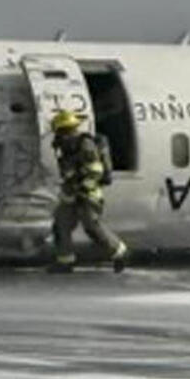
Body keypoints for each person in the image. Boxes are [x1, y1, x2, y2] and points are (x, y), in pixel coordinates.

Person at [48, 109, 128, 273]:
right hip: (72, 193)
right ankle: (65, 261)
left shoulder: (85, 145)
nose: (62, 135)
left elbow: (95, 171)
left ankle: (119, 252)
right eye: (60, 131)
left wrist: (82, 187)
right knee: (60, 224)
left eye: (65, 131)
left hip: (88, 194)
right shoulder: (64, 147)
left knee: (92, 227)